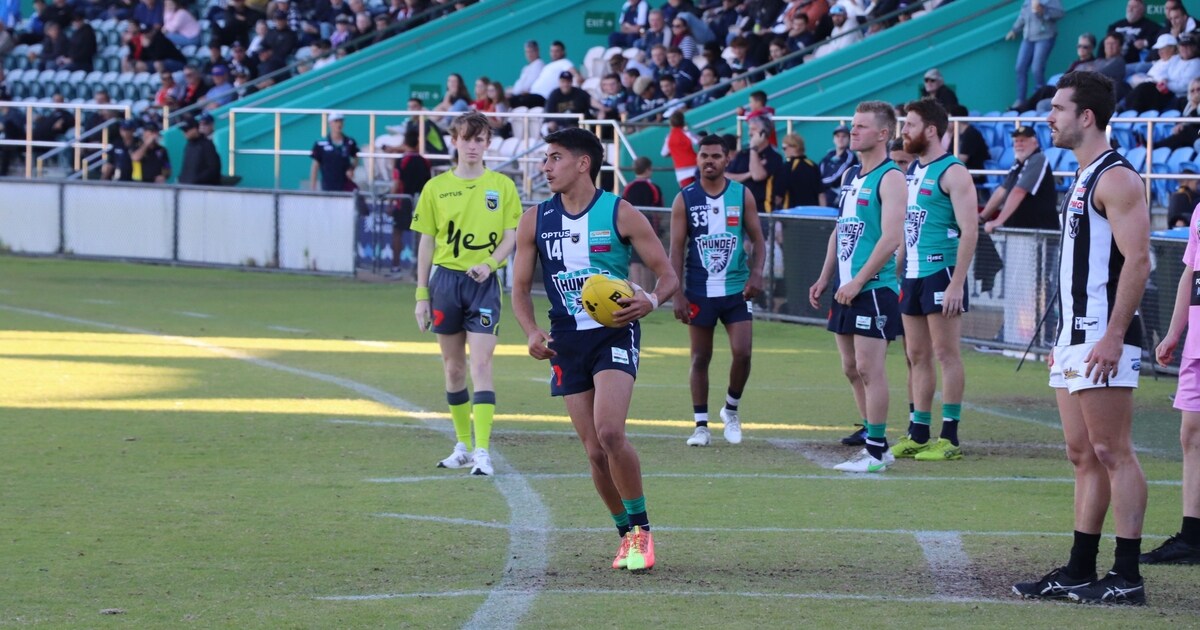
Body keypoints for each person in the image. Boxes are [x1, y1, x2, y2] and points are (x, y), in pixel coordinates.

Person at [1012, 70, 1150, 606]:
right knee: (1081, 453)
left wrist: (1114, 334)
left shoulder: (1116, 178)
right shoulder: (1083, 174)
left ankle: (1128, 575)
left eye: (1058, 108)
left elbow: (1137, 261)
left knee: (1112, 450)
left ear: (1085, 116)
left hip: (1103, 335)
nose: (1050, 117)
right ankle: (1078, 569)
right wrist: (1065, 334)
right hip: (1074, 336)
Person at [510, 126, 676, 571]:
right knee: (593, 451)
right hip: (565, 340)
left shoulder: (620, 213)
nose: (546, 167)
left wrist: (652, 300)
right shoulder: (535, 219)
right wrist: (530, 331)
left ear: (583, 163)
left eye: (555, 157)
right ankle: (625, 535)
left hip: (613, 334)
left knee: (610, 432)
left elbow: (668, 275)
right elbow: (521, 288)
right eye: (546, 158)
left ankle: (642, 532)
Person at [411, 111, 521, 478]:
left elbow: (512, 235)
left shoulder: (502, 186)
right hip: (445, 283)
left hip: (484, 285)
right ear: (454, 141)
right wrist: (421, 295)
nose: (472, 146)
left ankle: (482, 450)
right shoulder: (435, 188)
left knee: (482, 364)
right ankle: (461, 444)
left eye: (479, 139)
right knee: (453, 367)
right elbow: (427, 242)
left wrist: (490, 264)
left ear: (488, 142)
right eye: (466, 138)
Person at [807, 100, 905, 473]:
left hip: (874, 288)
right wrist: (824, 276)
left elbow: (892, 238)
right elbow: (840, 230)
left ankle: (877, 450)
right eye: (853, 125)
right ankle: (872, 439)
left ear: (883, 134)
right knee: (850, 367)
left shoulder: (891, 177)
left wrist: (860, 280)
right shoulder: (850, 176)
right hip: (845, 288)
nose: (853, 131)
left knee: (869, 368)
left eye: (862, 127)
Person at [889, 97, 978, 462]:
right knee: (916, 354)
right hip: (913, 275)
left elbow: (971, 229)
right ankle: (919, 432)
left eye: (909, 125)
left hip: (941, 272)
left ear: (930, 129)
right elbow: (910, 228)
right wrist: (898, 266)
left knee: (945, 353)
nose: (904, 131)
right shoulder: (914, 171)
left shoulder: (953, 171)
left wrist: (957, 282)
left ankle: (950, 437)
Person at [670, 134, 765, 447]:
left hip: (736, 290)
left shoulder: (742, 195)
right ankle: (700, 426)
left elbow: (759, 242)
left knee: (744, 352)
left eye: (715, 156)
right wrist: (677, 293)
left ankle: (731, 409)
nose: (708, 161)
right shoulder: (684, 198)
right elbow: (675, 249)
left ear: (727, 160)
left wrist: (756, 274)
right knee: (700, 357)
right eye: (703, 156)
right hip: (698, 291)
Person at [1146, 191, 1200, 566]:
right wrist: (1172, 333)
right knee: (1190, 436)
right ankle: (1192, 537)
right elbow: (1189, 274)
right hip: (1196, 342)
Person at [980, 125, 1060, 231]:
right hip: (1019, 229)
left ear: (1034, 142)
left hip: (1037, 231)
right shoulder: (1018, 163)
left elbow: (1019, 191)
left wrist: (999, 221)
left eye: (1022, 141)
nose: (1018, 145)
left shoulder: (1038, 159)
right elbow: (1002, 191)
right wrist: (982, 217)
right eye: (1016, 141)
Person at [1007, 0, 1065, 110]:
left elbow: (1060, 13)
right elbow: (1022, 16)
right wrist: (1014, 30)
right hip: (1028, 38)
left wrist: (1043, 11)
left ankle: (1038, 98)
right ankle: (1020, 99)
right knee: (1020, 67)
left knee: (1037, 68)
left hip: (1045, 37)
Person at [391, 129, 430, 274]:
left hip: (403, 201)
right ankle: (420, 270)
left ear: (405, 142)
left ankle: (396, 267)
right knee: (422, 236)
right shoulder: (425, 161)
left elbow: (396, 182)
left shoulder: (401, 160)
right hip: (421, 202)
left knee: (397, 233)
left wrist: (391, 202)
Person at [727, 116, 783, 215]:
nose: (749, 133)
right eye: (749, 129)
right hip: (738, 209)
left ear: (763, 133)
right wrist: (749, 174)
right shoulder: (743, 155)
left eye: (753, 129)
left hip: (761, 211)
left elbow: (757, 176)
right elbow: (726, 177)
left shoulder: (774, 157)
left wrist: (753, 149)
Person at [309, 112, 359, 191]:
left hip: (344, 184)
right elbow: (315, 166)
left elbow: (355, 157)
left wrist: (351, 168)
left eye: (341, 121)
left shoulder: (349, 142)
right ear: (330, 123)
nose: (339, 124)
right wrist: (312, 186)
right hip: (328, 184)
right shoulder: (321, 144)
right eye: (336, 121)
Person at [1108, 0, 1160, 66]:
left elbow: (1159, 40)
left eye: (1134, 7)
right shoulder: (1115, 26)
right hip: (1112, 62)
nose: (1130, 9)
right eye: (1129, 6)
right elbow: (1104, 44)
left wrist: (1145, 42)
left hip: (1133, 64)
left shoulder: (1151, 27)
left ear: (1142, 10)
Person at [818, 123, 858, 207]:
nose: (840, 139)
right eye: (838, 136)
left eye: (844, 136)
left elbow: (836, 178)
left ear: (849, 139)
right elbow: (819, 170)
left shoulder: (850, 156)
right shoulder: (830, 154)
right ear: (833, 139)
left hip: (837, 196)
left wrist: (819, 183)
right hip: (824, 191)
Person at [778, 132, 821, 209]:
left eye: (784, 148)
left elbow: (779, 196)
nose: (783, 151)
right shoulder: (813, 166)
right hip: (813, 213)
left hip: (791, 213)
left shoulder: (787, 167)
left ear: (794, 147)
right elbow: (821, 193)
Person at [178, 118, 221, 185]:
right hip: (187, 188)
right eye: (183, 131)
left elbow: (213, 169)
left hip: (202, 189)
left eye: (186, 130)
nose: (184, 133)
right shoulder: (188, 146)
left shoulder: (207, 145)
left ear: (195, 129)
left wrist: (195, 180)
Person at [661, 110, 699, 189]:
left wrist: (675, 152)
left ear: (670, 123)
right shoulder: (687, 133)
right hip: (695, 166)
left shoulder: (669, 137)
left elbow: (663, 153)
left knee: (689, 196)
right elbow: (698, 142)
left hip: (681, 172)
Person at [509, 40, 545, 108]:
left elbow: (527, 86)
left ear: (537, 51)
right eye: (527, 52)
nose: (529, 54)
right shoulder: (526, 68)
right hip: (519, 95)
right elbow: (519, 84)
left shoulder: (539, 64)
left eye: (531, 51)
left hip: (531, 98)